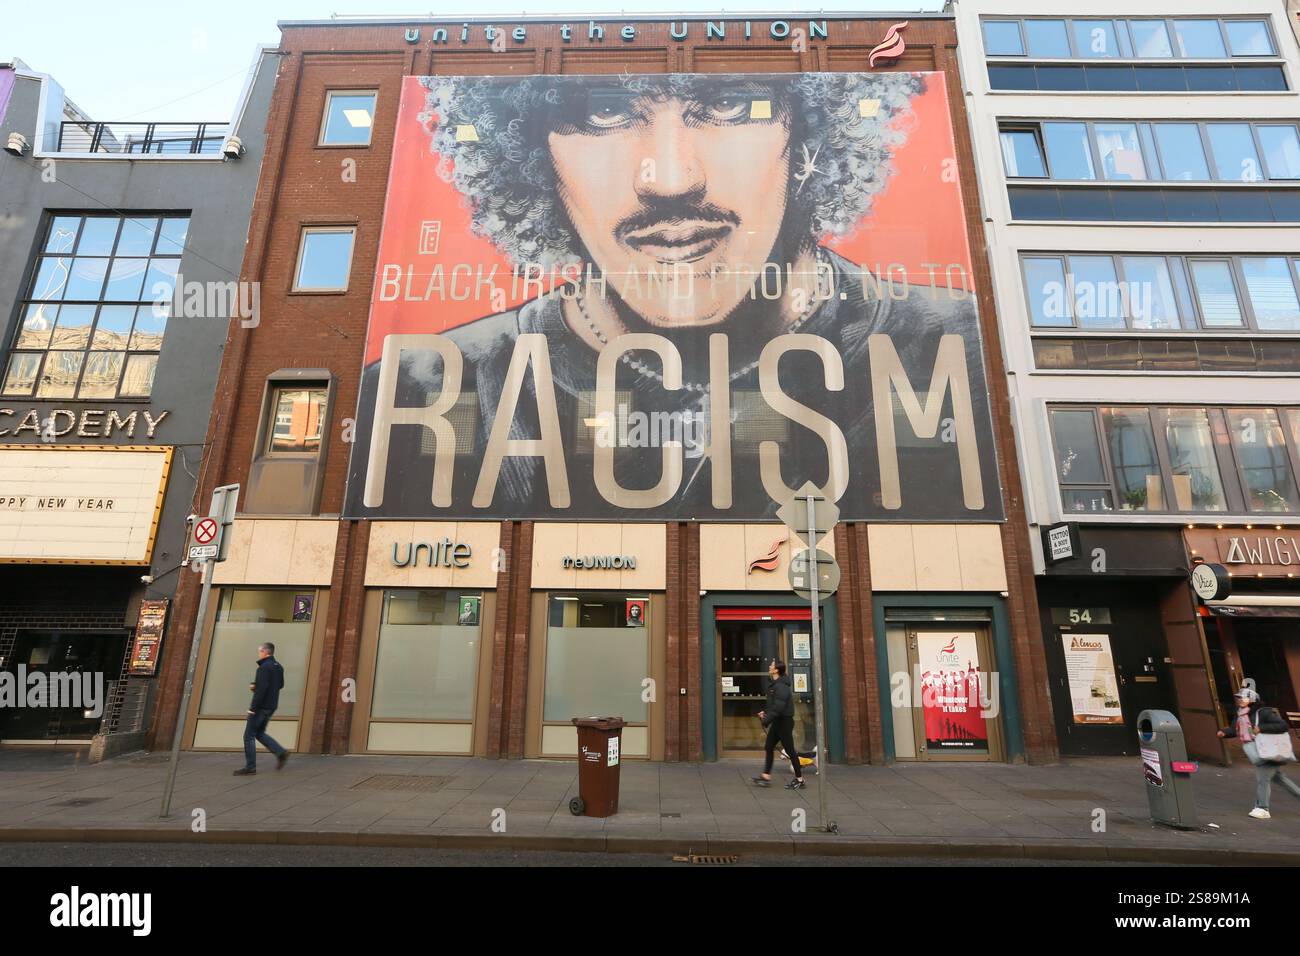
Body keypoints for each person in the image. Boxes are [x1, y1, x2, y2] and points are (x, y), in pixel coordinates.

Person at [351, 71, 997, 521]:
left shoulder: (964, 358)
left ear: (808, 140)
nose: (669, 177)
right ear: (530, 155)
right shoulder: (416, 391)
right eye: (600, 113)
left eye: (731, 106)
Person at [1217, 678, 1300, 819]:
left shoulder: (1264, 712)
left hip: (1269, 750)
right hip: (1258, 751)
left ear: (1252, 699)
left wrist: (1261, 728)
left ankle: (1262, 808)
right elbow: (1235, 729)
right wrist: (1225, 733)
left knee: (1263, 779)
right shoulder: (1241, 714)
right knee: (1280, 779)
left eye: (1243, 698)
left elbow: (1282, 725)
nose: (1240, 700)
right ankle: (1263, 807)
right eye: (1239, 698)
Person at [234, 642, 288, 776]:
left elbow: (262, 689)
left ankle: (250, 767)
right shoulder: (278, 667)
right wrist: (259, 686)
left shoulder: (264, 667)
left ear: (265, 652)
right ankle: (280, 752)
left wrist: (253, 708)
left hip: (261, 706)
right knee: (259, 732)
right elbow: (280, 685)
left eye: (260, 651)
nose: (259, 654)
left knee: (248, 736)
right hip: (271, 705)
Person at [753, 660, 804, 789]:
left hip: (784, 722)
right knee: (769, 746)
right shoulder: (776, 685)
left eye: (772, 665)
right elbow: (775, 705)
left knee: (790, 751)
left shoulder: (780, 686)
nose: (770, 666)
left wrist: (766, 719)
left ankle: (799, 779)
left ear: (776, 670)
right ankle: (766, 776)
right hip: (778, 721)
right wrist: (766, 713)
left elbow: (779, 707)